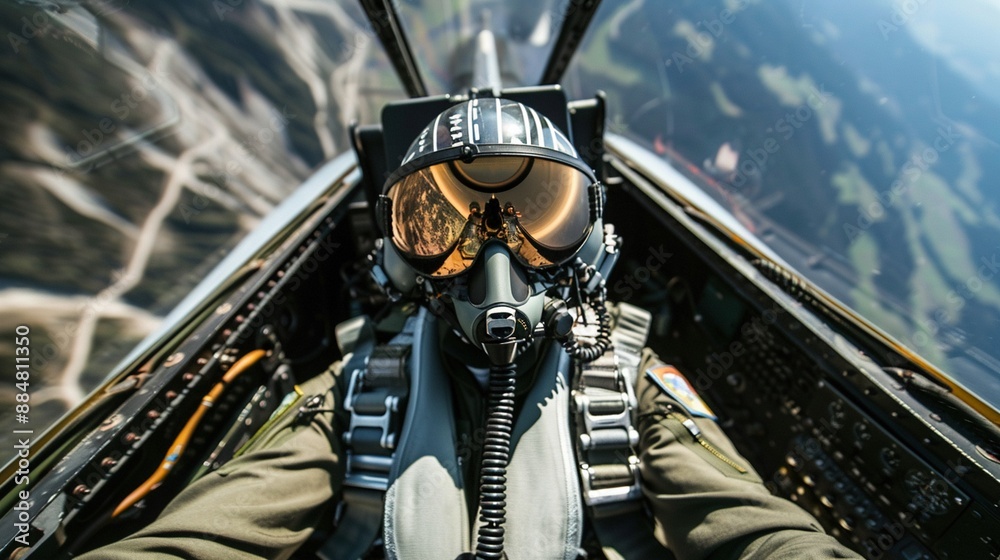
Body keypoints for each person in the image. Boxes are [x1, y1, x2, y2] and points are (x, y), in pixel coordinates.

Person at [79, 97, 861, 560]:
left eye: (536, 213)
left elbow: (766, 537)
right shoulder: (360, 385)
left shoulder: (623, 385)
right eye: (440, 221)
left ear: (591, 244)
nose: (495, 256)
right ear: (399, 259)